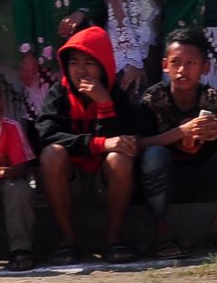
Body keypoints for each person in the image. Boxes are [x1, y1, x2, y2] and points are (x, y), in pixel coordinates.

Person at [135, 28, 217, 258]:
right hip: (167, 180)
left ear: (205, 67)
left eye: (191, 63)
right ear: (165, 65)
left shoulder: (213, 99)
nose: (182, 70)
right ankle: (162, 234)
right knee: (154, 154)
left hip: (207, 179)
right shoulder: (152, 99)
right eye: (176, 62)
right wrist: (179, 132)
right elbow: (136, 145)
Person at [31, 26, 138, 263]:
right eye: (74, 63)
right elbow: (47, 135)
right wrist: (100, 144)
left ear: (102, 65)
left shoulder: (117, 96)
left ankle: (113, 238)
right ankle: (67, 240)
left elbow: (125, 142)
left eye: (89, 62)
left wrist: (104, 104)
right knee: (51, 154)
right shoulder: (58, 94)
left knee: (120, 157)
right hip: (71, 182)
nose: (80, 70)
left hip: (105, 181)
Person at [0, 65, 37, 269]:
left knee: (18, 188)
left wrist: (5, 171)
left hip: (4, 188)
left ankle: (20, 250)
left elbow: (22, 168)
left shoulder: (11, 128)